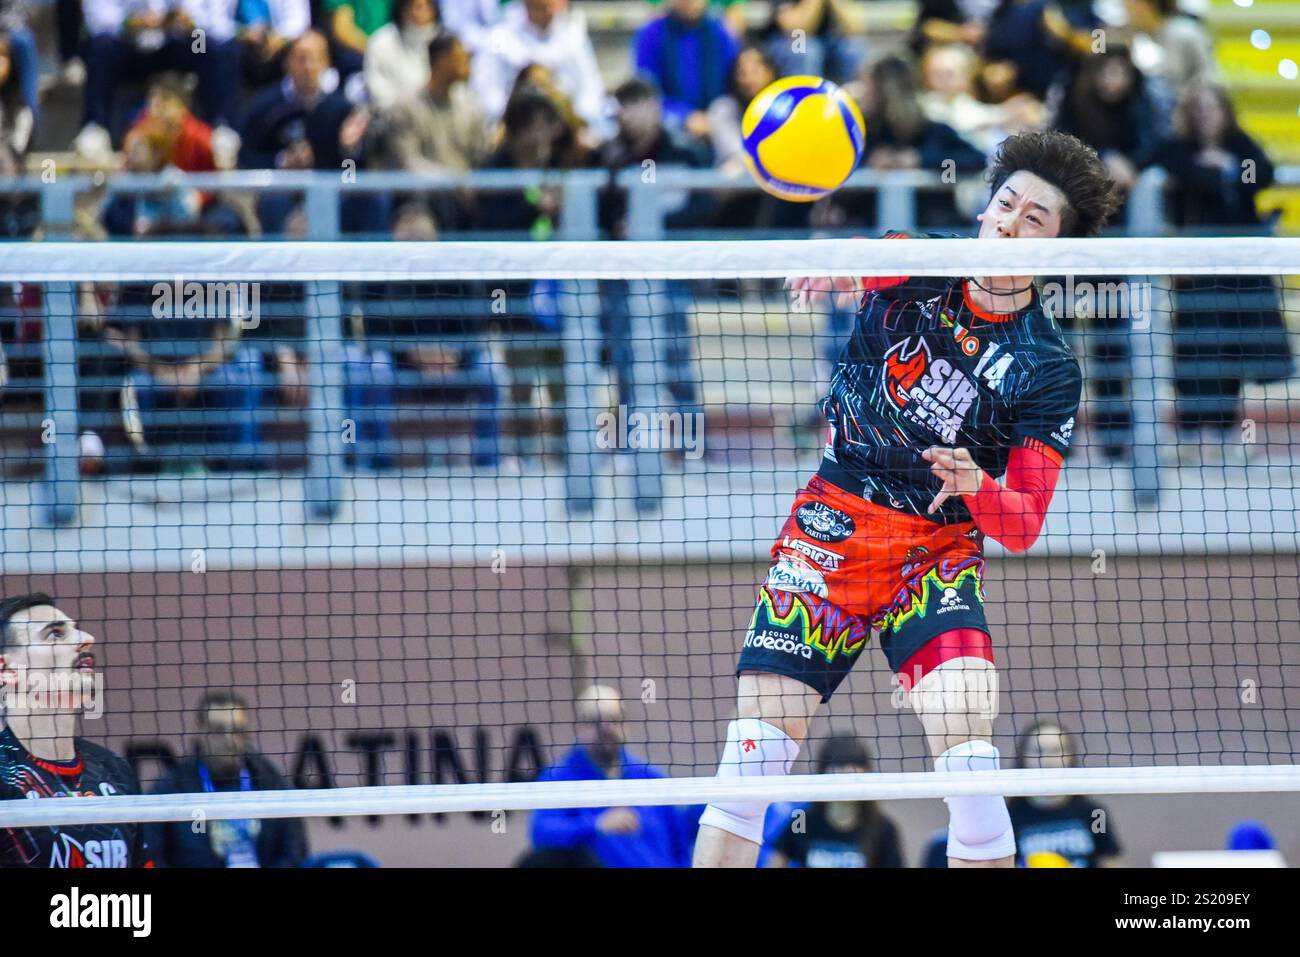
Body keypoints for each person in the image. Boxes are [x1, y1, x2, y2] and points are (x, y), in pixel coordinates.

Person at [692, 129, 1122, 869]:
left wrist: (978, 485)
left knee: (972, 763)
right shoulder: (919, 261)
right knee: (750, 764)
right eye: (1005, 204)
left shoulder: (1047, 365)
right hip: (832, 527)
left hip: (937, 550)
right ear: (985, 208)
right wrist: (834, 272)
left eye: (1035, 219)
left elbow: (1021, 523)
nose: (1010, 223)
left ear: (1055, 249)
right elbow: (861, 254)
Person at [1153, 84, 1291, 465]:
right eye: (1198, 109)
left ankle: (1229, 432)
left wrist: (1228, 168)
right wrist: (1206, 169)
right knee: (1194, 350)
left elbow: (1260, 175)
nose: (1206, 116)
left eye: (1212, 108)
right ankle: (1193, 436)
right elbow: (1177, 170)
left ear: (1225, 111)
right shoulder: (1177, 149)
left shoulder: (1240, 147)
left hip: (1238, 269)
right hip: (1195, 271)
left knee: (1232, 350)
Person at [0, 593, 152, 868]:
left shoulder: (114, 769)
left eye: (75, 628)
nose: (86, 638)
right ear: (6, 669)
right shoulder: (4, 773)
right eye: (55, 634)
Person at [531, 685, 701, 867]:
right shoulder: (557, 778)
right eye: (595, 721)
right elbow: (541, 833)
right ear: (579, 727)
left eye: (613, 720)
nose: (605, 728)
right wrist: (597, 825)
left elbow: (680, 845)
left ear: (625, 725)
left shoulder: (652, 779)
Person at [144, 691, 308, 867]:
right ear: (201, 732)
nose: (229, 741)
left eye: (237, 731)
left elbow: (295, 850)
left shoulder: (271, 781)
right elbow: (152, 854)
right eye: (218, 731)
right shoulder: (173, 787)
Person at [471, 0, 611, 138]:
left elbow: (590, 86)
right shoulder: (500, 37)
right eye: (543, 7)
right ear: (527, 5)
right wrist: (510, 115)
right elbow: (486, 90)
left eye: (552, 6)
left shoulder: (573, 35)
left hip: (566, 125)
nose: (549, 12)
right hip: (514, 125)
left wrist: (578, 119)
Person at [766, 736, 904, 867]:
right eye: (839, 774)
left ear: (865, 775)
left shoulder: (883, 828)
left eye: (852, 776)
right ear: (823, 775)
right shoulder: (802, 820)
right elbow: (777, 862)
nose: (845, 785)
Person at [1007, 720, 1122, 867]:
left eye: (1056, 750)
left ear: (1069, 756)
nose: (1047, 760)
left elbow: (1111, 859)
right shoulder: (1010, 817)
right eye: (1038, 751)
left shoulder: (1094, 813)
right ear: (1023, 757)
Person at [383, 33, 488, 173]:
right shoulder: (405, 108)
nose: (467, 62)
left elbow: (481, 160)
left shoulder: (470, 107)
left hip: (467, 192)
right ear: (441, 60)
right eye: (460, 56)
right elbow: (407, 164)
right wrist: (453, 181)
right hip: (420, 193)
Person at [633, 0, 739, 135]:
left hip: (717, 121)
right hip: (668, 125)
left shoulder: (720, 33)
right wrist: (685, 116)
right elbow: (647, 92)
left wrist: (712, 118)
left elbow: (733, 87)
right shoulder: (651, 34)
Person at [364, 0, 440, 111]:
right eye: (418, 6)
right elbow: (379, 94)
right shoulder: (381, 42)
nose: (423, 12)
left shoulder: (443, 41)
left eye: (428, 5)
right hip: (395, 119)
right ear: (403, 9)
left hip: (437, 117)